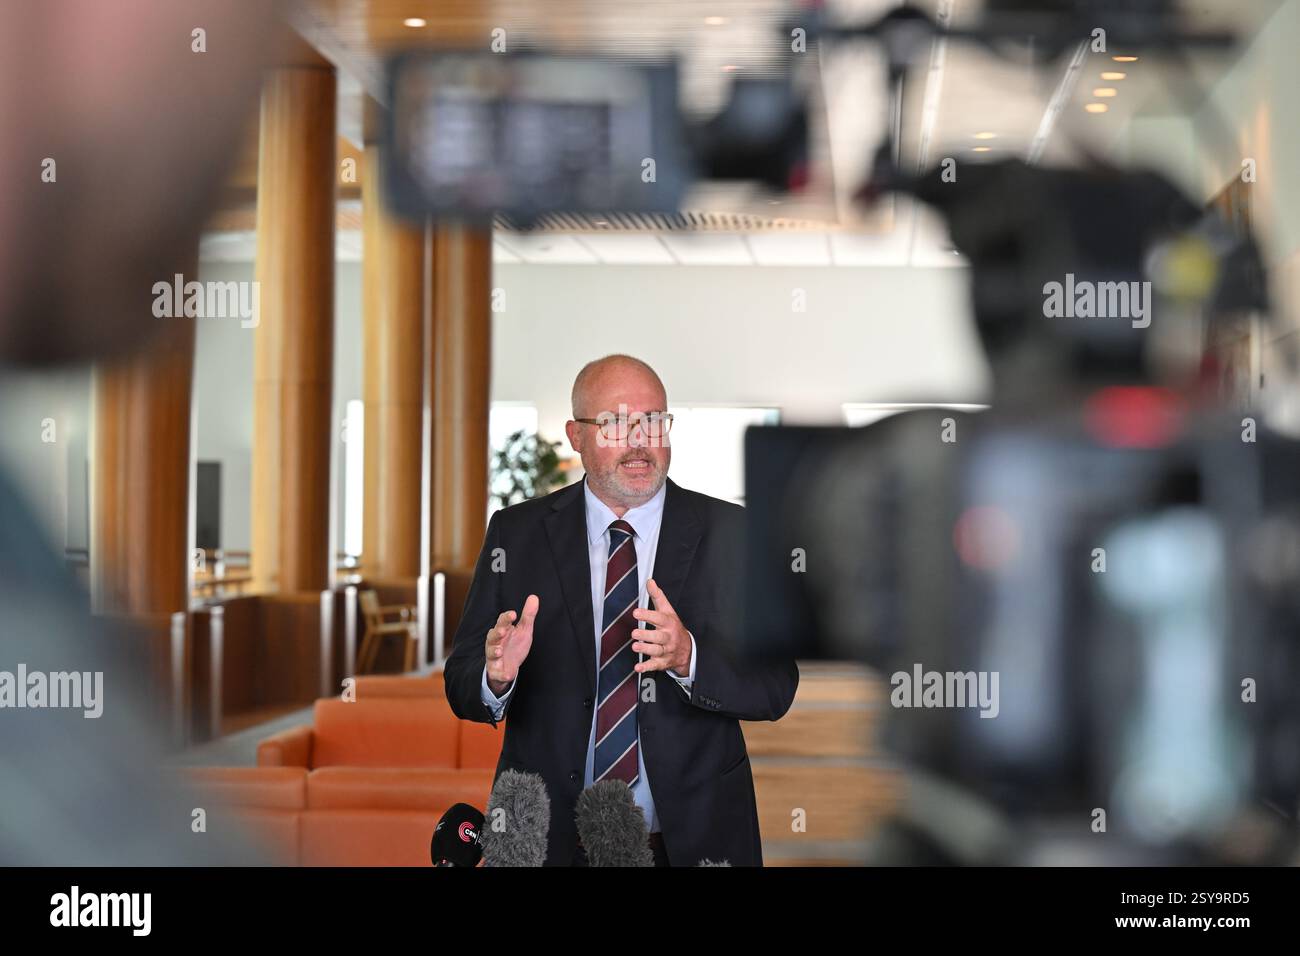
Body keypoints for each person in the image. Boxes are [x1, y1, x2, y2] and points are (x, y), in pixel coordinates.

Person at [444, 354, 799, 866]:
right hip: (547, 843)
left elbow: (776, 686)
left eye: (653, 420)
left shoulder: (733, 534)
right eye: (614, 422)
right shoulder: (515, 534)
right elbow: (460, 684)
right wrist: (494, 677)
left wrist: (689, 658)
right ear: (576, 434)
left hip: (689, 841)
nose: (639, 440)